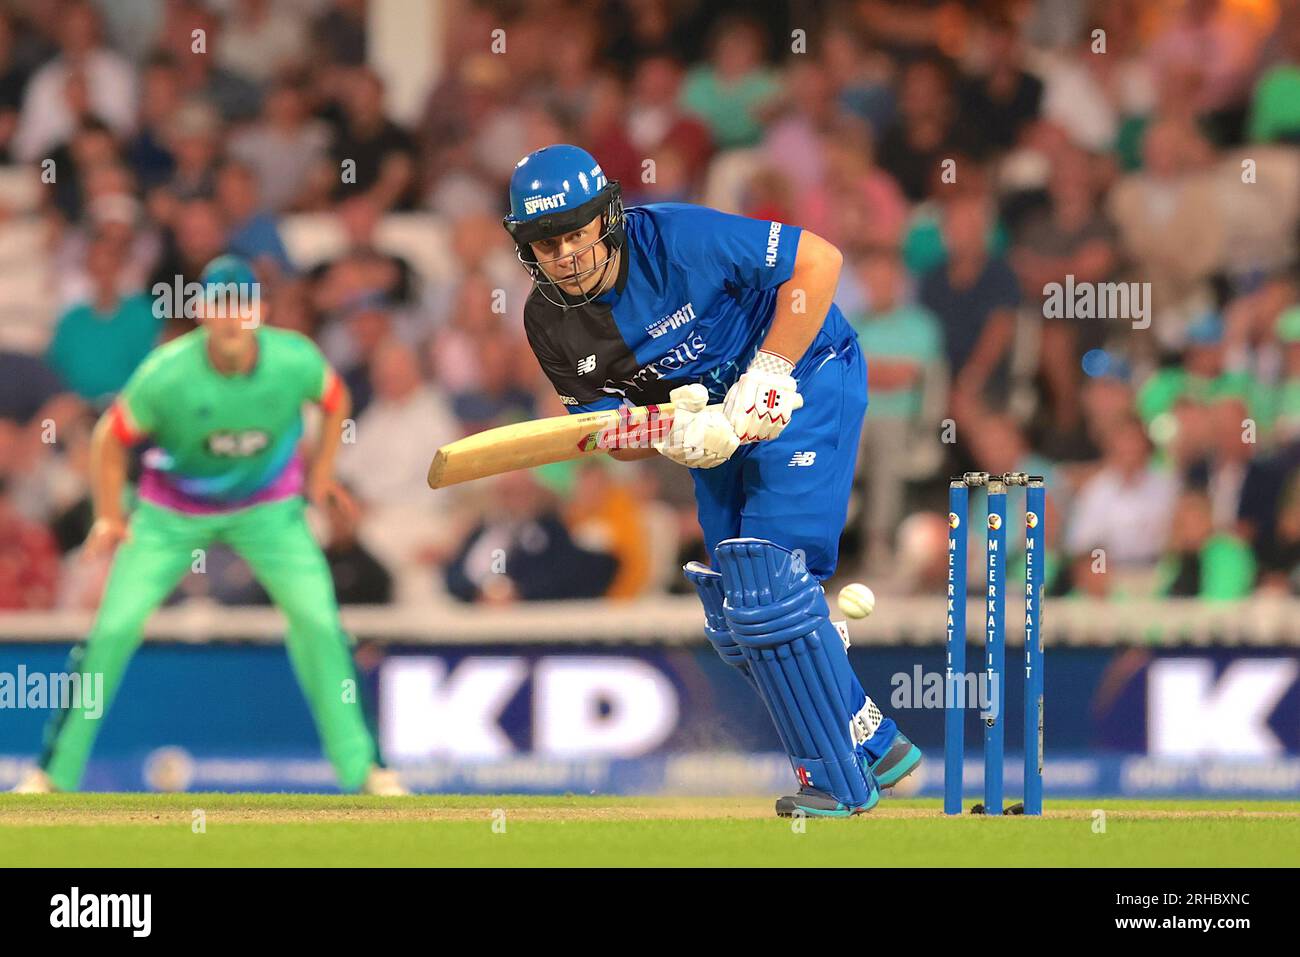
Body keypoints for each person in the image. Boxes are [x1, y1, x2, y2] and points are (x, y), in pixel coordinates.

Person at [500, 144, 921, 817]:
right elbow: (617, 435)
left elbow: (820, 261)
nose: (566, 255)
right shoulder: (547, 323)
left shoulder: (676, 238)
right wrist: (666, 434)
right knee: (734, 612)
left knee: (769, 581)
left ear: (606, 219)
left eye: (576, 234)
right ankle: (875, 736)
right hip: (713, 422)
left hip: (807, 375)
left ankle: (838, 783)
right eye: (547, 244)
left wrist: (770, 371)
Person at [12, 256, 404, 796]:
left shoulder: (294, 360)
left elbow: (336, 402)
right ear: (199, 313)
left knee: (318, 623)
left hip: (270, 510)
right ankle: (52, 775)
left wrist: (321, 477)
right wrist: (107, 514)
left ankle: (365, 771)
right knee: (113, 629)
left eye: (243, 306)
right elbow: (108, 437)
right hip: (170, 515)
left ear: (262, 310)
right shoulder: (167, 373)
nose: (231, 319)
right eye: (219, 307)